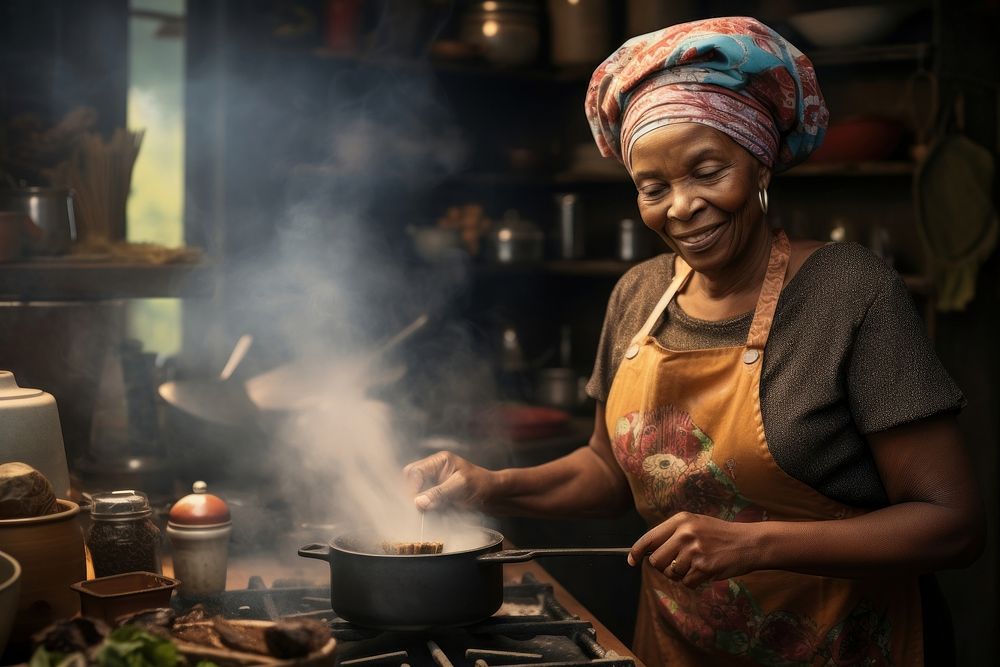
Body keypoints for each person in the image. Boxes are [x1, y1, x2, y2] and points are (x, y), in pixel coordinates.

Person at [404, 16, 985, 666]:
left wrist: (753, 544)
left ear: (759, 162)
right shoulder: (637, 294)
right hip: (681, 646)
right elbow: (608, 471)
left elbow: (951, 523)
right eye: (653, 188)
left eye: (708, 171)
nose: (680, 206)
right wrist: (491, 485)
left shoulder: (851, 290)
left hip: (841, 646)